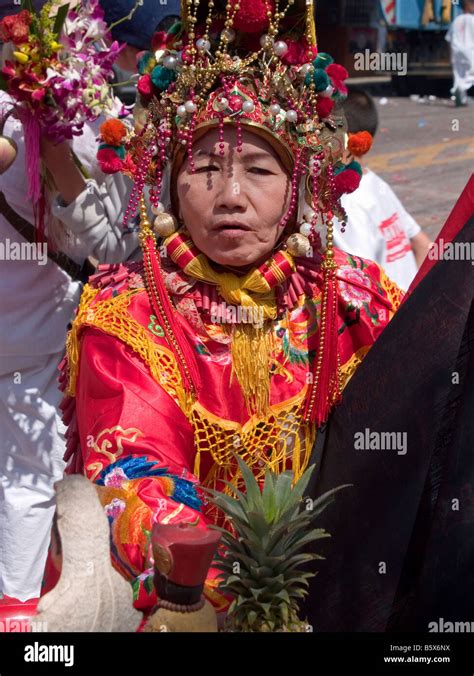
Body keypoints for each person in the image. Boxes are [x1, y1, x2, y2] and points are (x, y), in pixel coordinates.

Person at [48, 0, 405, 619]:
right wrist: (224, 590)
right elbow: (135, 471)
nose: (231, 196)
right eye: (206, 168)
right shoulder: (129, 315)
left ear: (299, 189)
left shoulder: (351, 300)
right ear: (169, 182)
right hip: (185, 608)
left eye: (260, 170)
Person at [0, 0, 181, 606]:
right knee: (30, 478)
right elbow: (106, 245)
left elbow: (108, 240)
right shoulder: (74, 114)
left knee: (27, 475)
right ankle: (22, 608)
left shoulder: (81, 112)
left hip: (35, 330)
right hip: (38, 334)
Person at [335, 87, 432, 292]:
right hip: (406, 309)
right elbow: (423, 245)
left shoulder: (343, 203)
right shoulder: (378, 184)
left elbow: (361, 286)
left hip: (386, 320)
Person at [446, 0, 474, 107]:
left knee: (458, 75)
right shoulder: (472, 20)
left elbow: (449, 38)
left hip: (456, 52)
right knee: (470, 74)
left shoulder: (456, 20)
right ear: (468, 6)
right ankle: (460, 88)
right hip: (469, 51)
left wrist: (450, 55)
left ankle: (461, 100)